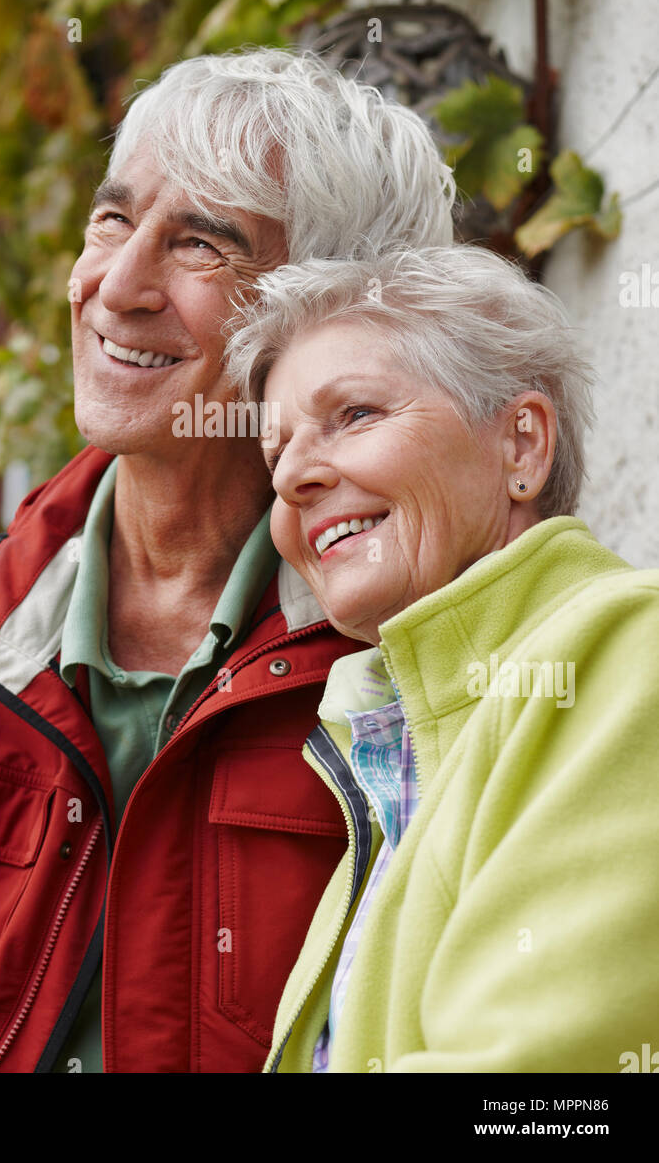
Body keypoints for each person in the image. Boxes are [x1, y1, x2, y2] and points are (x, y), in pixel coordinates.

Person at [0, 47, 456, 1073]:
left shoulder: (417, 678)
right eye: (112, 219)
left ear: (330, 319)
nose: (116, 284)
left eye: (199, 245)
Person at [224, 242, 659, 1073]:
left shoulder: (626, 647)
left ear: (522, 446)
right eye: (276, 454)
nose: (293, 481)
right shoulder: (389, 750)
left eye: (354, 414)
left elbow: (539, 1082)